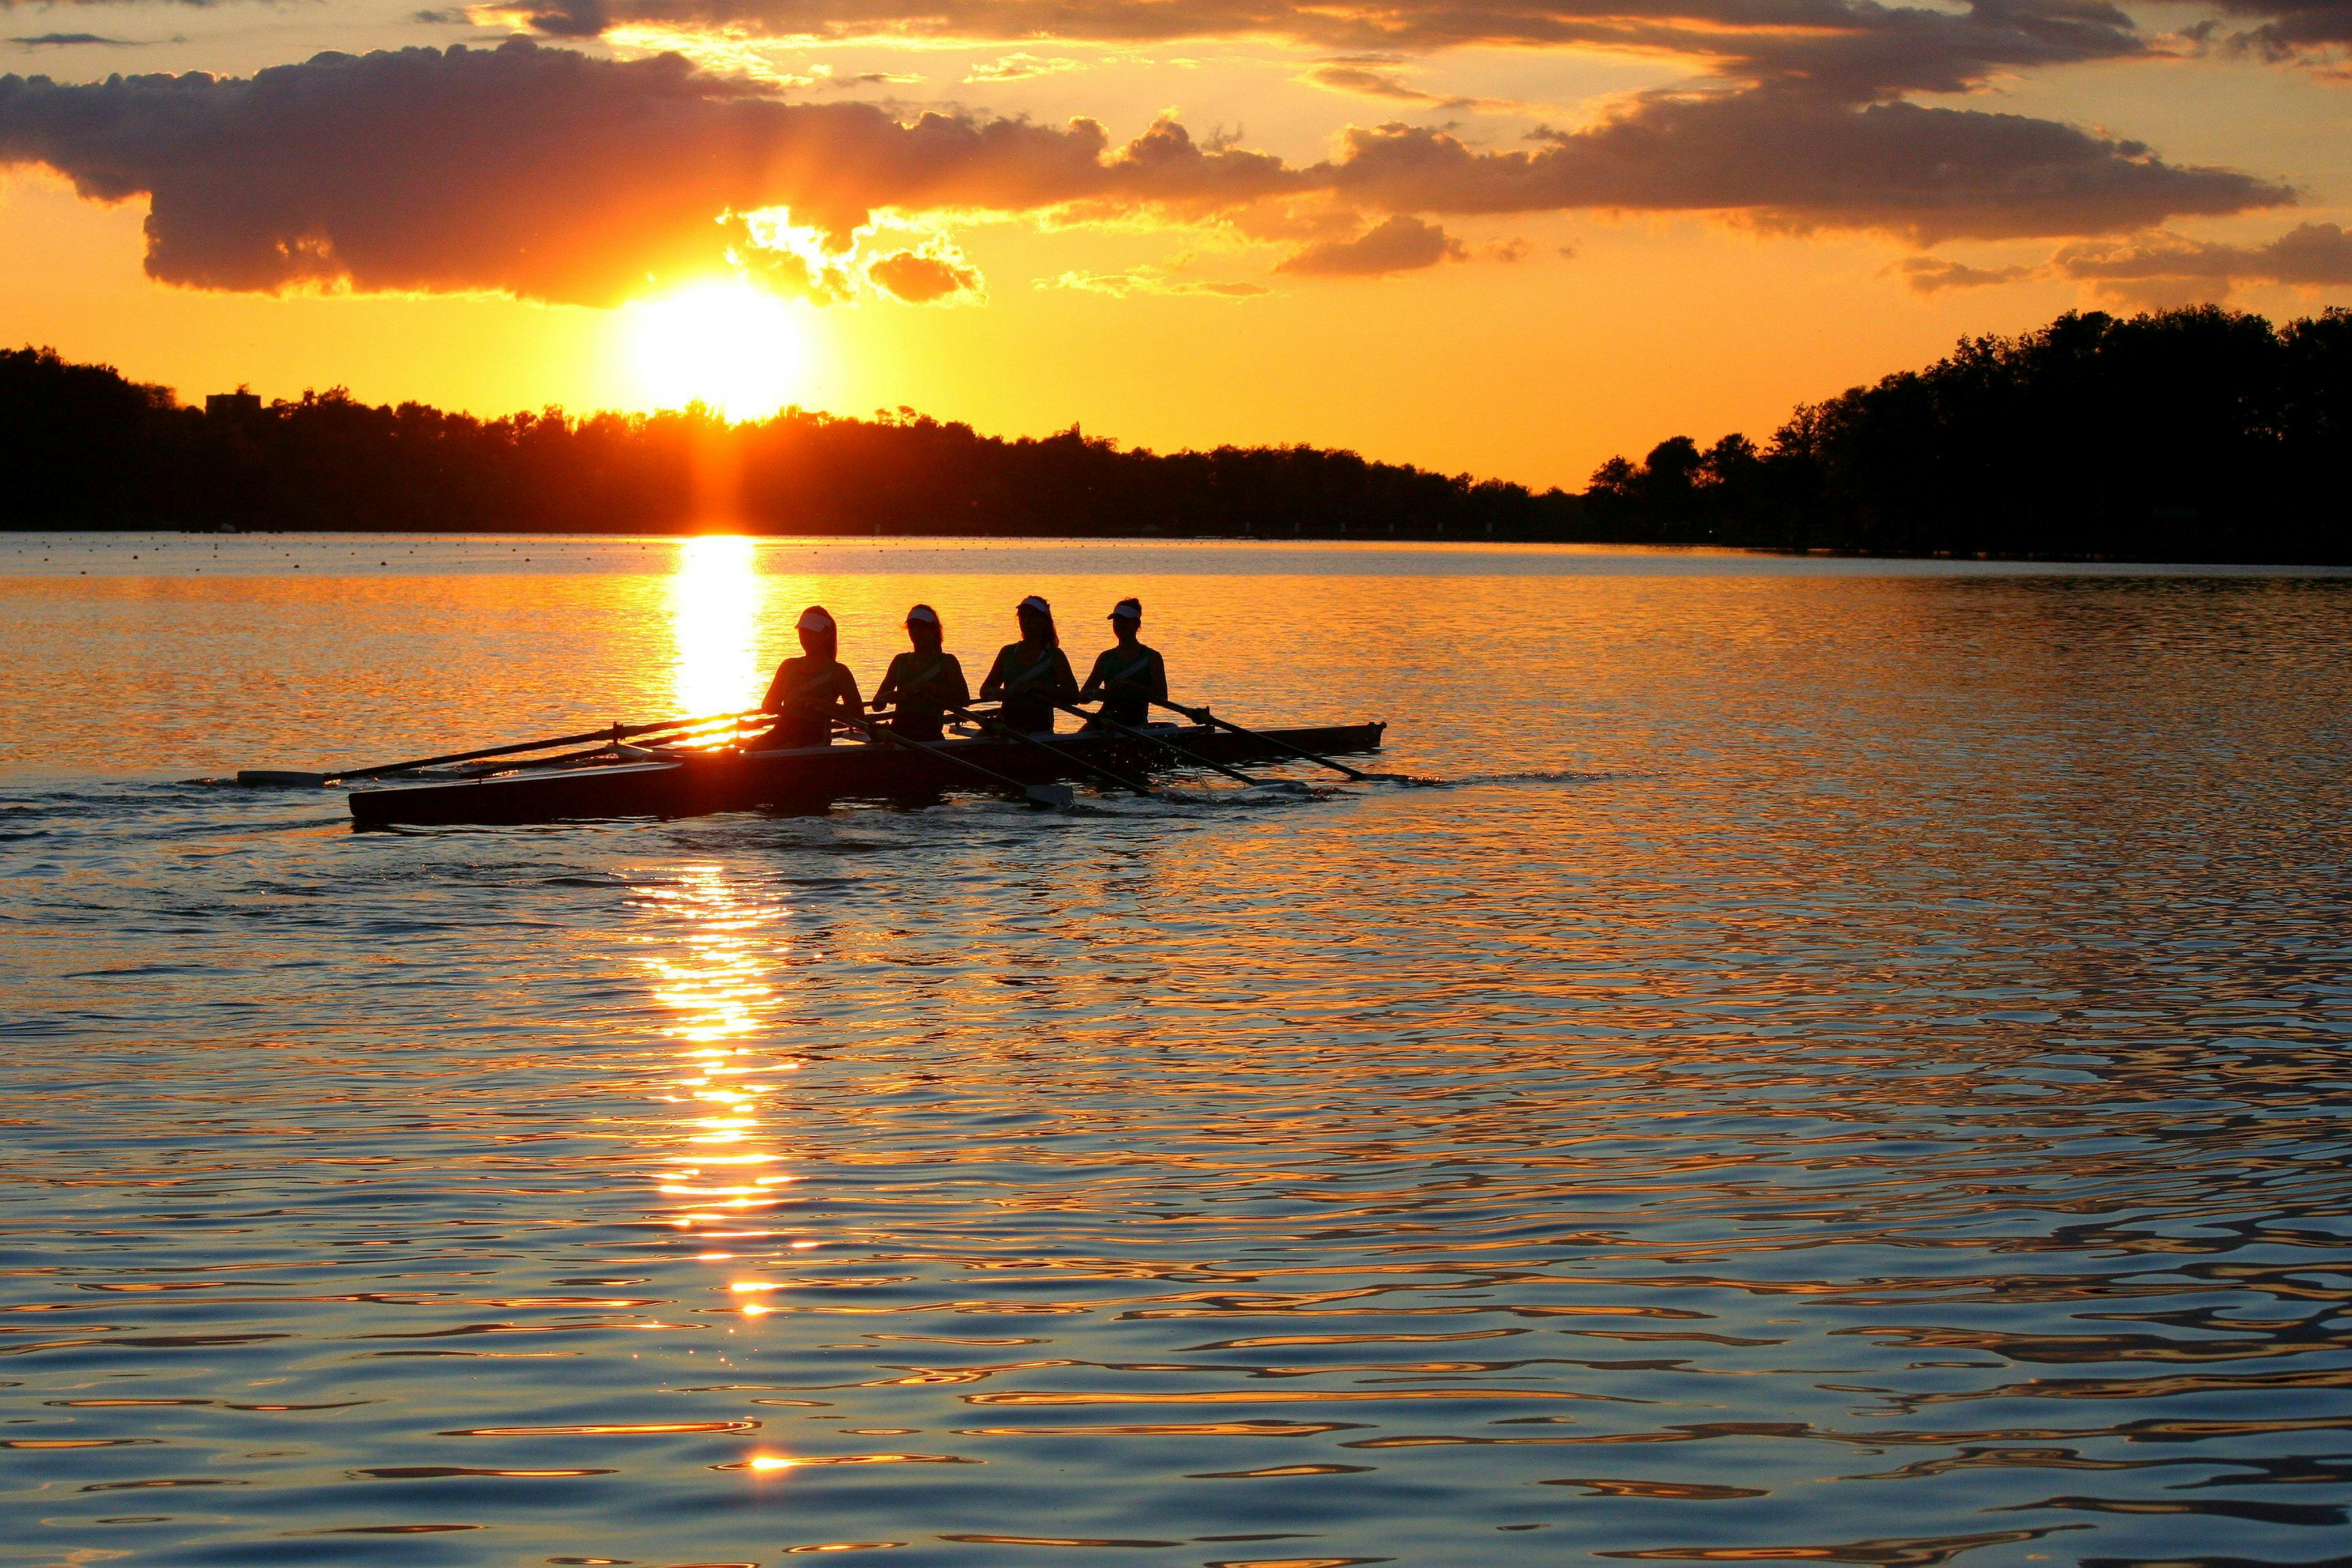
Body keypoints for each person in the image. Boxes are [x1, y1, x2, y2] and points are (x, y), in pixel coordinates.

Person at [759, 606, 862, 749]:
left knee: (785, 749)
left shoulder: (839, 672)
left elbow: (858, 715)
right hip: (781, 733)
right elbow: (768, 705)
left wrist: (818, 705)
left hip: (814, 738)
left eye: (811, 633)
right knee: (745, 754)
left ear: (826, 635)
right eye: (803, 632)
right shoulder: (788, 666)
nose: (805, 638)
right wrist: (794, 708)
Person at [870, 604, 971, 741]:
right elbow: (877, 705)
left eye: (922, 627)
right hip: (898, 733)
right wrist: (887, 697)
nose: (916, 632)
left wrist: (924, 687)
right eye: (913, 627)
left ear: (933, 630)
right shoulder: (900, 661)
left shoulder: (947, 662)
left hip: (929, 734)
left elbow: (964, 700)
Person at [979, 594, 1079, 734]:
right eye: (1023, 616)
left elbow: (1074, 696)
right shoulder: (1007, 652)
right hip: (1006, 724)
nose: (1027, 621)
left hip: (1038, 729)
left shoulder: (1055, 656)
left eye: (1032, 616)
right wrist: (997, 692)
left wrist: (1037, 687)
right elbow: (985, 689)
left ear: (1044, 621)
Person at [1079, 597, 1169, 730]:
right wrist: (1094, 694)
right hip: (1105, 723)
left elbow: (1162, 697)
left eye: (1125, 621)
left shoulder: (1152, 658)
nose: (1119, 626)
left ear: (1137, 624)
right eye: (1117, 621)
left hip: (1136, 726)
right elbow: (1082, 697)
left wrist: (1130, 685)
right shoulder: (1106, 658)